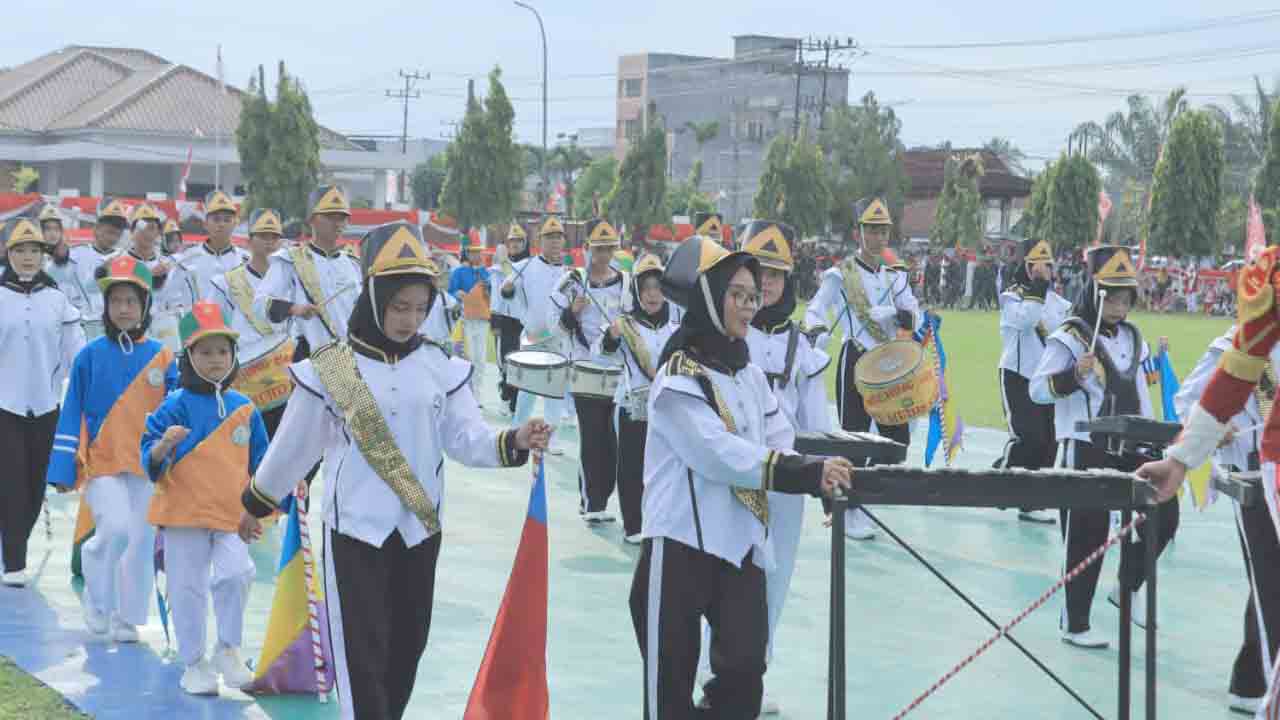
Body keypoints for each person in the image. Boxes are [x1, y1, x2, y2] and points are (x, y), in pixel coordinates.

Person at [237, 220, 550, 720]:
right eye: (399, 306)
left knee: (406, 652)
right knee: (363, 657)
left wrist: (512, 440)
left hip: (419, 530)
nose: (410, 319)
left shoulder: (440, 365)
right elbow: (292, 448)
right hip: (355, 531)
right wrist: (256, 502)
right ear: (375, 297)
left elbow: (466, 437)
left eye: (420, 308)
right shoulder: (331, 368)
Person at [629, 235, 853, 719]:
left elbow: (778, 435)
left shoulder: (748, 375)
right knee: (668, 693)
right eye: (737, 295)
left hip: (741, 546)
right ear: (709, 298)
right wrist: (804, 473)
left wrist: (818, 478)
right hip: (679, 547)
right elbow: (717, 454)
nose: (749, 306)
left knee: (744, 676)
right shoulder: (677, 377)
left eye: (754, 296)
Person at [1029, 244, 1175, 649]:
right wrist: (1074, 374)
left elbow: (1141, 392)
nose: (1120, 303)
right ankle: (1074, 622)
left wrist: (1155, 436)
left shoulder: (1133, 337)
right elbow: (1038, 390)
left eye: (1126, 295)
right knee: (1086, 534)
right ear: (1095, 293)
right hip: (1086, 445)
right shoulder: (1071, 336)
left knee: (1165, 512)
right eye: (1112, 294)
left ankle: (1126, 585)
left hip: (1132, 445)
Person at [47, 256, 177, 640]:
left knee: (140, 541)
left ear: (145, 308)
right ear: (105, 306)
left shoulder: (163, 356)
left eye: (131, 301)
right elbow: (71, 410)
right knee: (115, 529)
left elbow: (178, 409)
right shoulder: (89, 355)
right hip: (102, 464)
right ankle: (97, 597)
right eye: (116, 300)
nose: (123, 308)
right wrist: (62, 468)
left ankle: (128, 618)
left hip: (146, 466)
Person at [141, 302, 268, 695]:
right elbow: (148, 456)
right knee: (187, 589)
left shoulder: (246, 408)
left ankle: (227, 649)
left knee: (237, 573)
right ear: (188, 357)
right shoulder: (173, 404)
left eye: (223, 352)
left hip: (232, 515)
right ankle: (193, 663)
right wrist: (163, 445)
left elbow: (264, 462)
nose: (215, 360)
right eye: (205, 352)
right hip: (182, 515)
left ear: (233, 357)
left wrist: (272, 499)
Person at [737, 219, 832, 715]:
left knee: (775, 579)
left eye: (775, 273)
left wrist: (827, 480)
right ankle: (716, 667)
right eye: (757, 271)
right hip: (731, 475)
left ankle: (756, 672)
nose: (766, 282)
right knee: (725, 570)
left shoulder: (804, 349)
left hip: (785, 481)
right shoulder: (723, 337)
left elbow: (817, 424)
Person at [1169, 327, 1278, 715]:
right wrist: (1219, 429)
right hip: (1254, 478)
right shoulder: (1235, 345)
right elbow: (1187, 403)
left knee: (1267, 585)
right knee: (1271, 583)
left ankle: (1249, 681)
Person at [803, 197, 921, 540]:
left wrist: (896, 315)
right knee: (852, 436)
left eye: (883, 230)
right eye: (872, 230)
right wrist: (818, 331)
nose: (878, 237)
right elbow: (815, 309)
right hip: (855, 358)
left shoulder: (896, 276)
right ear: (860, 232)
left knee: (895, 440)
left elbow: (916, 315)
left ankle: (863, 494)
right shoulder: (842, 274)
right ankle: (850, 509)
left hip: (887, 364)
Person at [0, 219, 85, 586]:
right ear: (9, 254)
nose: (28, 257)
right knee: (11, 480)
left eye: (35, 250)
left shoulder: (58, 300)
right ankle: (14, 562)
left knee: (36, 484)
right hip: (4, 404)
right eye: (20, 250)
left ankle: (13, 542)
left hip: (47, 405)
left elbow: (75, 354)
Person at [596, 253, 677, 543]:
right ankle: (633, 524)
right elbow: (601, 356)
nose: (653, 295)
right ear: (637, 292)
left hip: (668, 409)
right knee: (631, 467)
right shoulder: (625, 324)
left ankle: (661, 519)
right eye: (646, 289)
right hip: (633, 407)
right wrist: (612, 338)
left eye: (658, 288)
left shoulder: (677, 328)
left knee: (664, 467)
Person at [552, 218, 626, 522]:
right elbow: (558, 327)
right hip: (585, 369)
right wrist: (573, 312)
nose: (604, 255)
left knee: (614, 440)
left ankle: (604, 498)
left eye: (609, 249)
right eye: (599, 249)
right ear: (587, 249)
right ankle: (592, 503)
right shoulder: (573, 280)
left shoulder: (626, 281)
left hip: (619, 371)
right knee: (592, 437)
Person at [995, 237, 1072, 524]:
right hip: (1017, 375)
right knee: (1028, 437)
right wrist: (1038, 287)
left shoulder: (1061, 303)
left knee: (1049, 442)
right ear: (1025, 267)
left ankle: (1033, 501)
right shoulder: (1012, 297)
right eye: (1036, 265)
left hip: (1047, 379)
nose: (1043, 270)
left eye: (1048, 265)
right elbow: (1027, 320)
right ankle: (999, 481)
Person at [206, 208, 293, 438]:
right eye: (263, 236)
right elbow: (213, 329)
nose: (270, 242)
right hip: (244, 382)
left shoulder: (293, 283)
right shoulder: (226, 284)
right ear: (249, 241)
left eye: (275, 237)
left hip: (285, 381)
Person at [256, 185, 360, 361]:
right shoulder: (291, 259)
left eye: (342, 217)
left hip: (351, 358)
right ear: (311, 220)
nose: (337, 223)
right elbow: (259, 303)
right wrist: (294, 309)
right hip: (309, 358)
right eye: (329, 216)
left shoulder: (354, 264)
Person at [503, 216, 573, 453]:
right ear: (540, 241)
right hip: (534, 333)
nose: (554, 242)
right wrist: (508, 289)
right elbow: (507, 291)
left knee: (555, 387)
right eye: (550, 238)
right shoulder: (526, 266)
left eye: (558, 237)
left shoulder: (568, 272)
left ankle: (550, 438)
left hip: (557, 336)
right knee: (527, 387)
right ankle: (516, 432)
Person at [128, 203, 197, 353]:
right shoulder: (120, 262)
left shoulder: (168, 263)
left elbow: (181, 301)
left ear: (159, 233)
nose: (147, 233)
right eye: (142, 227)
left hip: (164, 329)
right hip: (131, 327)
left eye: (152, 228)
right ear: (132, 231)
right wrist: (149, 276)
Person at [68, 197, 129, 340]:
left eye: (117, 234)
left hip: (115, 327)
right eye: (109, 232)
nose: (113, 238)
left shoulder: (124, 259)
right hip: (82, 327)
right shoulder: (76, 255)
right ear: (96, 229)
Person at [174, 190, 249, 302]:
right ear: (206, 224)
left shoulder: (246, 261)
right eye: (216, 219)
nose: (221, 224)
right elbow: (173, 297)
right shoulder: (188, 259)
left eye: (227, 220)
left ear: (235, 224)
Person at [490, 223, 530, 416]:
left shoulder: (531, 266)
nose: (514, 245)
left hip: (523, 320)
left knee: (522, 363)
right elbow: (496, 298)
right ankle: (505, 397)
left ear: (524, 243)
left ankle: (516, 403)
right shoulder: (499, 269)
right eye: (511, 241)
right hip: (504, 319)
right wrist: (494, 319)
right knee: (505, 362)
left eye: (518, 241)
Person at [448, 235, 491, 393]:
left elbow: (492, 293)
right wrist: (456, 294)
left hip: (482, 320)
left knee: (481, 358)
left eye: (478, 252)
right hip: (465, 320)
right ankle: (467, 392)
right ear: (466, 253)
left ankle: (477, 393)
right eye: (473, 252)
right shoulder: (458, 272)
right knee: (468, 357)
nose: (476, 255)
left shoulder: (485, 272)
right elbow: (450, 292)